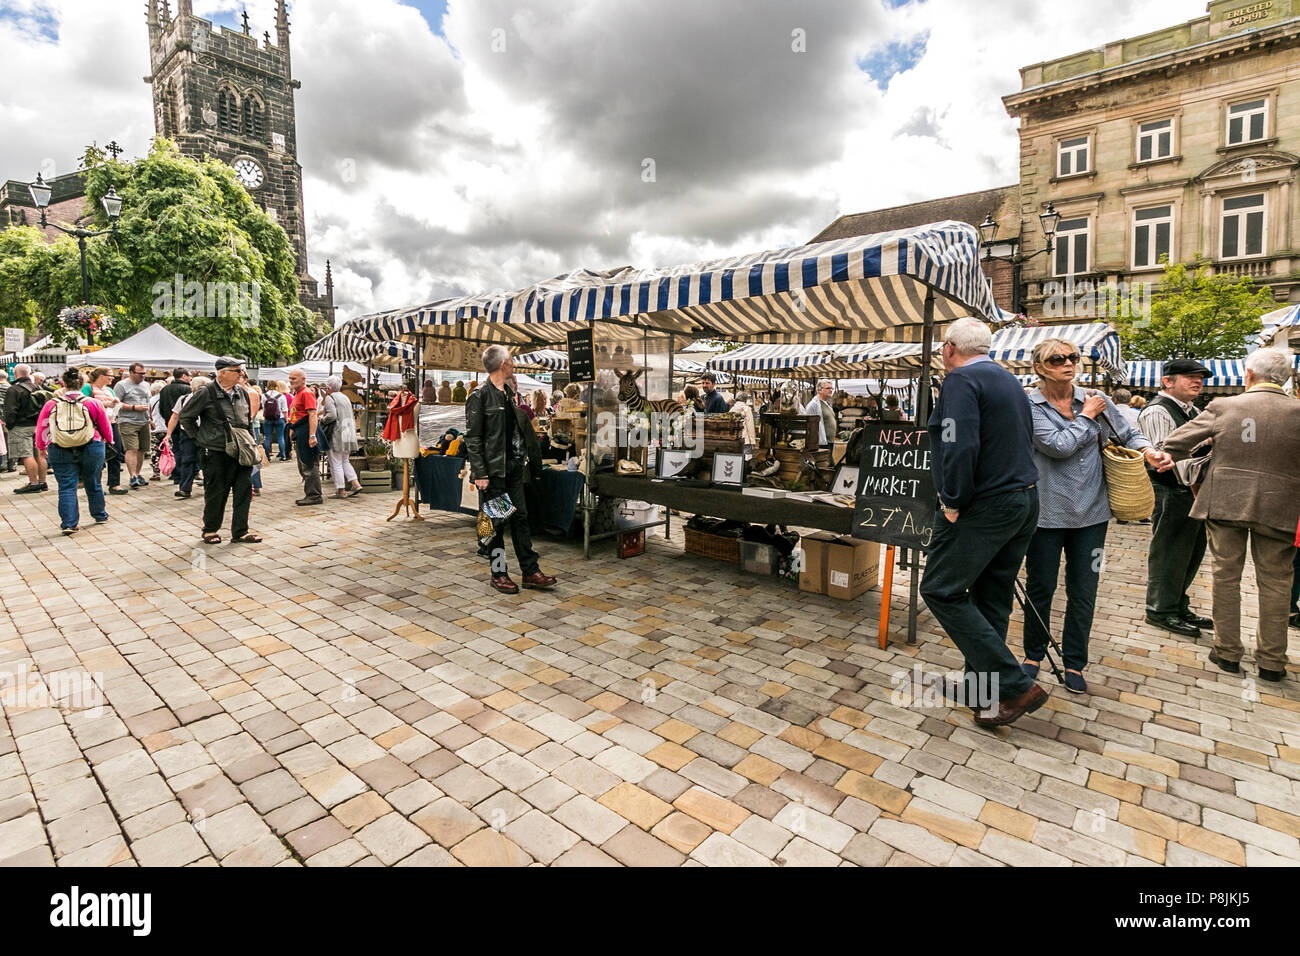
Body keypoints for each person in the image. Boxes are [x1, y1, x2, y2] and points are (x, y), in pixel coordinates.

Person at [918, 317, 1048, 727]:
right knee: (992, 594)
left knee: (940, 589)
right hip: (1022, 500)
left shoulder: (960, 382)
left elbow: (959, 444)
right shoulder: (1008, 380)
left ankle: (1014, 685)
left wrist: (952, 499)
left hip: (986, 505)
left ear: (951, 348)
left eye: (943, 348)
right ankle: (981, 686)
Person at [1022, 339, 1171, 694]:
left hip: (1092, 514)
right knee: (1040, 587)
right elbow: (1057, 446)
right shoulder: (1030, 404)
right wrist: (1087, 417)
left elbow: (1128, 432)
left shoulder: (1092, 398)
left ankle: (1075, 661)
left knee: (1084, 590)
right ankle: (1032, 655)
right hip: (1045, 513)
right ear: (1040, 367)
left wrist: (1149, 451)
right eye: (1057, 359)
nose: (1068, 363)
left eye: (1073, 357)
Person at [1163, 348, 1300, 683]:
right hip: (1280, 506)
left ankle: (1227, 652)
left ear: (1249, 374)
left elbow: (1175, 442)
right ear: (1287, 378)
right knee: (1277, 582)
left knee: (1226, 576)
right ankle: (1271, 661)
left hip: (1226, 502)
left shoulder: (1225, 406)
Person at [465, 345, 556, 594]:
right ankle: (499, 573)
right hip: (494, 472)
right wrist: (480, 473)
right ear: (502, 364)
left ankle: (530, 571)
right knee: (495, 524)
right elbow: (473, 438)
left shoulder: (507, 393)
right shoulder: (479, 396)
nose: (514, 364)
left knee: (521, 518)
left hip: (514, 469)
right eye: (512, 361)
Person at [1137, 359, 1213, 638]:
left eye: (1201, 377)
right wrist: (1204, 445)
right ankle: (1160, 609)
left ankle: (1178, 604)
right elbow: (1161, 455)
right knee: (1169, 551)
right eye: (1189, 377)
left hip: (1192, 490)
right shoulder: (1158, 410)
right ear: (1168, 381)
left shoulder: (1192, 409)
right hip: (1171, 489)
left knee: (1191, 552)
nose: (1197, 381)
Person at [179, 357, 262, 544]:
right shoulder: (205, 393)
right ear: (222, 372)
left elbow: (246, 420)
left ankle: (240, 531)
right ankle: (210, 530)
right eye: (237, 370)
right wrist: (200, 438)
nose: (242, 373)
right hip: (216, 450)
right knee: (217, 491)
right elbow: (185, 417)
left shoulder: (242, 392)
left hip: (242, 449)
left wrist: (251, 442)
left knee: (243, 490)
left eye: (241, 370)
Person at [33, 368, 113, 533]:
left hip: (60, 447)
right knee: (93, 482)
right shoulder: (92, 402)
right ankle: (99, 514)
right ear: (82, 383)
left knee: (66, 486)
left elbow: (42, 427)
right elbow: (105, 426)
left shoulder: (52, 404)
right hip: (92, 445)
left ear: (63, 383)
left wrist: (41, 447)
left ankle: (69, 523)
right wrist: (108, 440)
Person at [3, 364, 48, 494]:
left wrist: (9, 425)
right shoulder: (37, 387)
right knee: (39, 454)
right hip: (38, 426)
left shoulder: (13, 390)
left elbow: (10, 411)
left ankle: (33, 483)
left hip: (21, 426)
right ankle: (43, 482)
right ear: (29, 373)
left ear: (16, 374)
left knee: (26, 455)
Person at [82, 367, 127, 496]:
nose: (112, 378)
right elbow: (84, 403)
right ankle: (96, 486)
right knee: (97, 456)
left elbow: (115, 403)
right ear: (101, 376)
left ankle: (115, 484)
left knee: (116, 452)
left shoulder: (109, 390)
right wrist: (106, 404)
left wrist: (116, 403)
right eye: (110, 375)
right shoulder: (88, 388)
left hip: (111, 423)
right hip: (95, 426)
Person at [163, 376, 207, 498]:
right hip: (187, 433)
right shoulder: (183, 399)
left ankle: (210, 487)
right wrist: (168, 434)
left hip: (206, 433)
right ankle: (185, 489)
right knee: (187, 460)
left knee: (207, 460)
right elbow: (175, 416)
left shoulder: (210, 399)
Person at [112, 363, 152, 489]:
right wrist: (134, 407)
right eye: (140, 373)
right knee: (132, 449)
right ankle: (132, 476)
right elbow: (116, 403)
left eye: (144, 373)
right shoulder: (121, 385)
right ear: (131, 372)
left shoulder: (146, 385)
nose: (143, 376)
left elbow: (148, 402)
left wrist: (150, 419)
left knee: (142, 450)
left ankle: (138, 474)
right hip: (128, 421)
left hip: (144, 421)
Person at [321, 376, 362, 498]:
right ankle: (355, 483)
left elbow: (332, 416)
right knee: (345, 460)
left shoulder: (330, 398)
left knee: (336, 463)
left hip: (337, 433)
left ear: (328, 388)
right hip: (348, 432)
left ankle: (341, 490)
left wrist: (322, 419)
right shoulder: (345, 397)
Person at [286, 369, 322, 506]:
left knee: (309, 464)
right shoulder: (298, 393)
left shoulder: (306, 393)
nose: (291, 381)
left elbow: (313, 414)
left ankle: (314, 495)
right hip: (300, 431)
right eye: (290, 378)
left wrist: (312, 435)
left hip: (306, 431)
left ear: (303, 380)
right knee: (304, 465)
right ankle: (311, 494)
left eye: (294, 378)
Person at [803, 379, 837, 446]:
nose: (831, 390)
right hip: (820, 443)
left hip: (829, 442)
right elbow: (808, 425)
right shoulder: (813, 405)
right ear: (819, 390)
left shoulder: (827, 404)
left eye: (831, 388)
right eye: (828, 388)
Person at [261, 381, 288, 460]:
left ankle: (267, 456)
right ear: (277, 386)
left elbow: (263, 407)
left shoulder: (263, 396)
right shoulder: (281, 396)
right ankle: (283, 455)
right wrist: (286, 420)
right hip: (279, 418)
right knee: (280, 437)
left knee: (267, 437)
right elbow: (285, 410)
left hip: (267, 419)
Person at [148, 380, 167, 479]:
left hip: (155, 428)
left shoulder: (151, 400)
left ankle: (156, 472)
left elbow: (147, 414)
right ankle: (170, 469)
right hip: (167, 428)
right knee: (169, 450)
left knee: (155, 451)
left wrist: (150, 421)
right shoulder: (166, 399)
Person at [0, 368, 10, 472]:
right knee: (9, 440)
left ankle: (2, 464)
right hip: (8, 418)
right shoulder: (11, 388)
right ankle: (11, 464)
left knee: (1, 442)